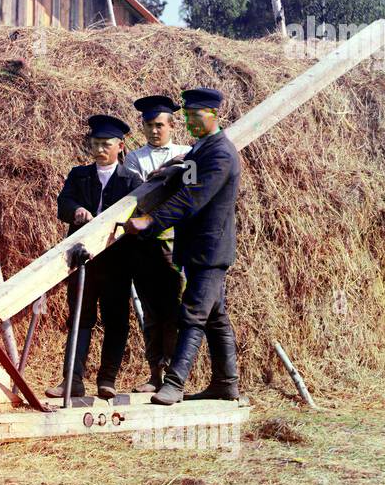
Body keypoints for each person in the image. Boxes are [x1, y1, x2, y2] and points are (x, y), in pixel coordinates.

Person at [114, 87, 241, 406]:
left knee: (194, 313)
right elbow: (190, 172)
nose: (193, 122)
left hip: (210, 250)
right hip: (196, 247)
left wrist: (150, 221)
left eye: (198, 117)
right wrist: (175, 168)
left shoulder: (221, 152)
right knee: (215, 316)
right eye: (190, 117)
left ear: (215, 116)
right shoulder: (202, 148)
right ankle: (226, 383)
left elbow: (192, 198)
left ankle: (173, 383)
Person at [46, 114, 135, 401]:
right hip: (83, 262)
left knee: (116, 319)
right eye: (95, 144)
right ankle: (72, 379)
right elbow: (63, 204)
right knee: (80, 318)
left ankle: (107, 379)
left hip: (117, 261)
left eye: (106, 144)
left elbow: (139, 215)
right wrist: (76, 211)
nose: (99, 150)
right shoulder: (78, 175)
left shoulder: (131, 181)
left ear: (120, 146)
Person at [117, 95, 190, 392]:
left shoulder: (188, 153)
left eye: (159, 125)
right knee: (151, 311)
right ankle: (154, 375)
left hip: (174, 243)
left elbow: (193, 191)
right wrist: (160, 178)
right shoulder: (134, 159)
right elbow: (138, 197)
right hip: (144, 243)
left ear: (171, 126)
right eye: (148, 126)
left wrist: (174, 170)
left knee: (175, 309)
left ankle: (175, 376)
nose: (154, 131)